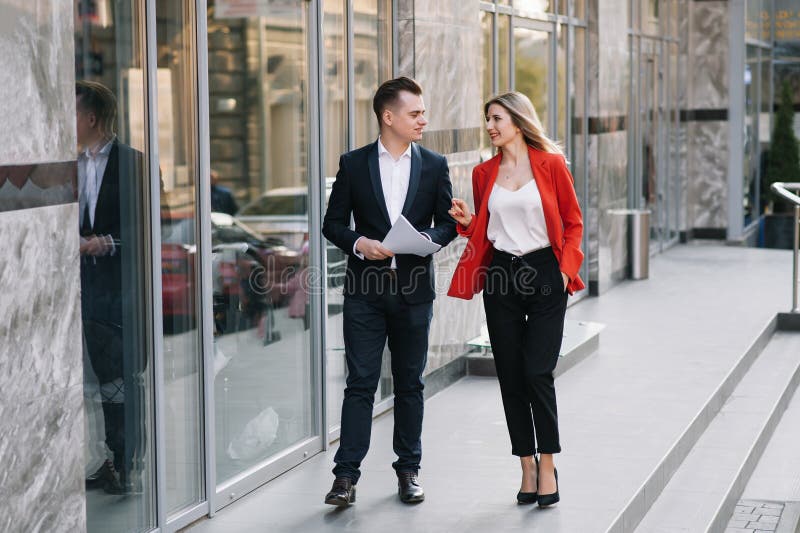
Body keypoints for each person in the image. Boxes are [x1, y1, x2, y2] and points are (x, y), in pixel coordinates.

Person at [322, 76, 457, 506]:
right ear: (388, 116)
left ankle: (408, 471)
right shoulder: (354, 163)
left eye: (422, 112)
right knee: (359, 383)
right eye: (415, 113)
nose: (423, 120)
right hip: (365, 291)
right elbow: (334, 224)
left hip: (415, 291)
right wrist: (361, 244)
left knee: (409, 384)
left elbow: (448, 222)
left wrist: (427, 240)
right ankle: (345, 479)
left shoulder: (434, 164)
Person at [447, 92, 584, 507]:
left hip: (545, 273)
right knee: (509, 373)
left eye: (497, 118)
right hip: (502, 277)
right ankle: (525, 464)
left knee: (537, 371)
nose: (490, 126)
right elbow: (488, 231)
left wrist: (564, 272)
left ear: (519, 121)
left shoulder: (551, 165)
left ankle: (548, 464)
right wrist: (469, 223)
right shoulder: (483, 172)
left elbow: (574, 222)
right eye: (487, 119)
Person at [76, 80, 145, 495]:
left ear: (91, 118)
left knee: (119, 384)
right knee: (85, 385)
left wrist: (107, 243)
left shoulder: (133, 163)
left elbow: (146, 228)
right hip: (77, 293)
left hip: (118, 293)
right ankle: (101, 460)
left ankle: (126, 464)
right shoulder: (65, 164)